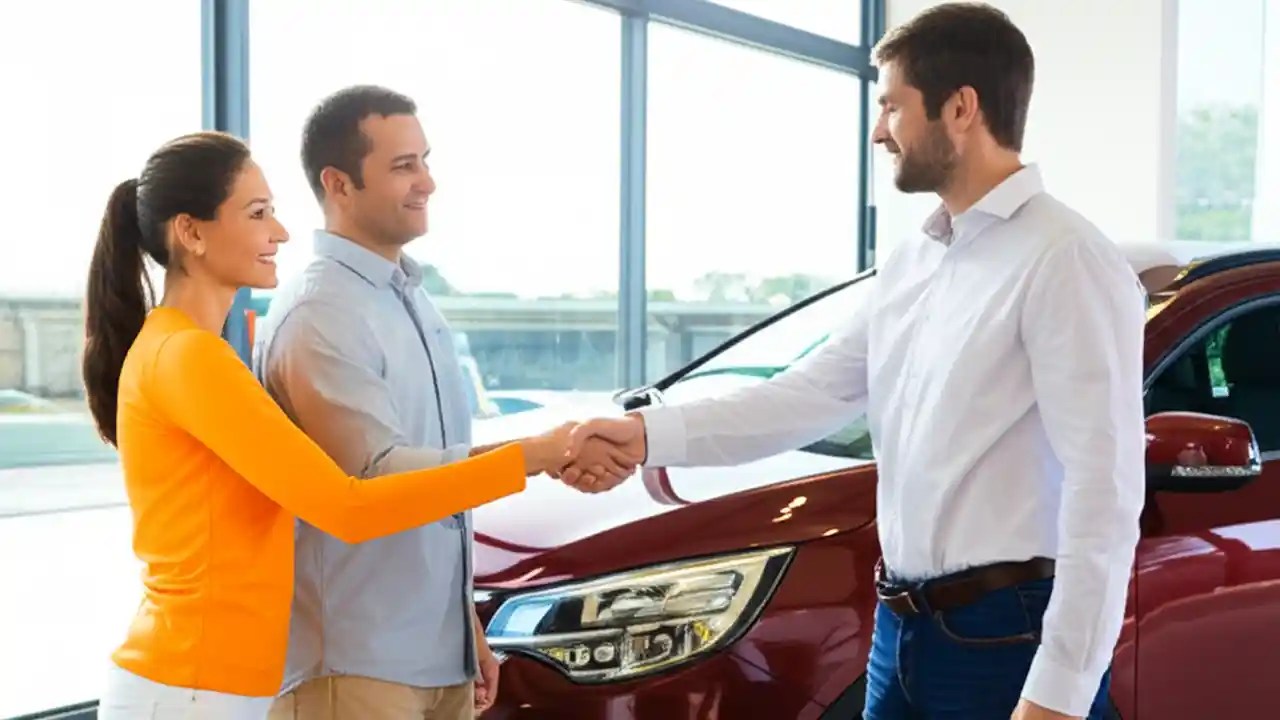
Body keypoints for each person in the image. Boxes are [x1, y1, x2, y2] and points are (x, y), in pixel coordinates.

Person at [562, 4, 1145, 720]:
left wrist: (1058, 691)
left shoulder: (1067, 259)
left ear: (960, 108)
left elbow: (1105, 490)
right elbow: (804, 395)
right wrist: (648, 434)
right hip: (900, 627)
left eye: (892, 106)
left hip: (1006, 638)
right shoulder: (914, 262)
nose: (878, 130)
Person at [84, 131, 572, 720]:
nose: (281, 232)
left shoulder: (183, 351)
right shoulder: (190, 358)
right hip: (190, 690)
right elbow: (349, 509)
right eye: (257, 212)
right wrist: (531, 458)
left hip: (203, 686)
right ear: (192, 232)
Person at [252, 86, 634, 720]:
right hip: (356, 666)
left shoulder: (408, 297)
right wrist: (538, 454)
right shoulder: (320, 310)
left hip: (435, 657)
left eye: (425, 160)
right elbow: (375, 483)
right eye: (403, 166)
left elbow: (440, 505)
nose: (427, 181)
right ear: (338, 184)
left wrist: (466, 632)